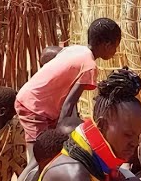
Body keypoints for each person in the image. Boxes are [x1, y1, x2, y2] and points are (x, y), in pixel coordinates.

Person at [16, 18, 122, 146]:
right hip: (35, 107)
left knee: (49, 154)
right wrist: (61, 135)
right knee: (40, 156)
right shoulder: (89, 66)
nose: (115, 52)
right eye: (115, 47)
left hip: (35, 101)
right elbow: (69, 103)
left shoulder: (75, 49)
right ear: (107, 45)